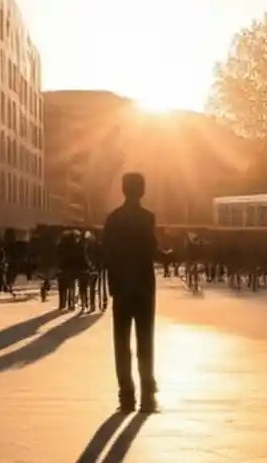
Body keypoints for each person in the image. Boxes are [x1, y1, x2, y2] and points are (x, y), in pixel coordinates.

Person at [103, 173, 159, 413]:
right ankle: (147, 394)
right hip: (144, 286)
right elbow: (152, 250)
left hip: (122, 288)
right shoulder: (148, 219)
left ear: (123, 189)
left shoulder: (113, 219)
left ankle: (126, 395)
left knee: (121, 342)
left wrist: (113, 284)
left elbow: (106, 254)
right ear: (142, 190)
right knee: (145, 340)